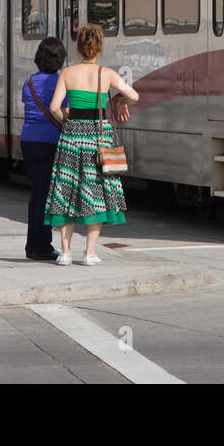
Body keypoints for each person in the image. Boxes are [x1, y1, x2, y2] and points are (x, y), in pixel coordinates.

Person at [46, 24, 138, 266]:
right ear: (99, 47)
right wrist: (121, 102)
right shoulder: (106, 73)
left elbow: (54, 107)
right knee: (95, 192)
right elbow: (134, 95)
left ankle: (65, 252)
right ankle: (89, 253)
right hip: (98, 136)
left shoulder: (67, 73)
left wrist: (68, 121)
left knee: (67, 190)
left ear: (78, 48)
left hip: (72, 136)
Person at [21, 37, 66, 261]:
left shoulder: (29, 82)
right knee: (46, 195)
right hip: (50, 141)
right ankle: (41, 246)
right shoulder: (60, 82)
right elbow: (63, 112)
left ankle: (32, 244)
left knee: (36, 193)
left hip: (28, 141)